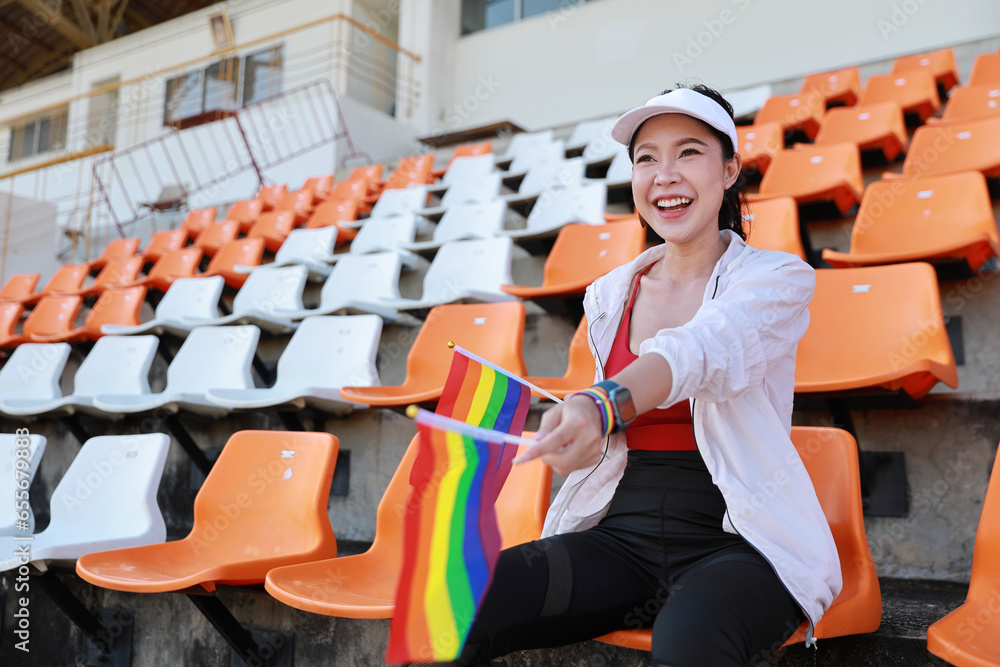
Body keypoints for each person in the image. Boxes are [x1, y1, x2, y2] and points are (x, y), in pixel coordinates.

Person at [436, 84, 842, 667]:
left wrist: (599, 405)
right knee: (453, 602)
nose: (664, 174)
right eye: (646, 158)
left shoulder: (776, 278)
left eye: (689, 153)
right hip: (621, 537)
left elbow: (702, 351)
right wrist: (583, 441)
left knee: (691, 642)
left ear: (729, 170)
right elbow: (616, 423)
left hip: (740, 544)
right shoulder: (609, 292)